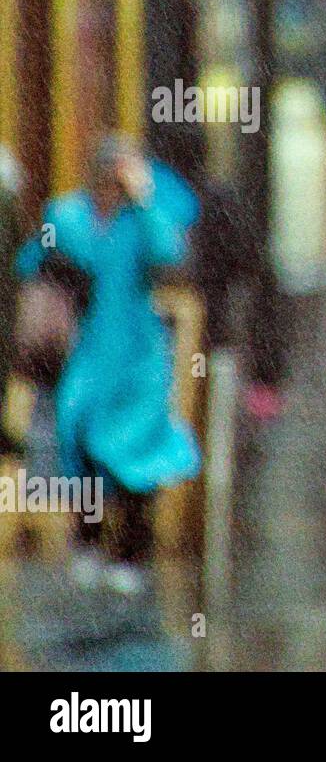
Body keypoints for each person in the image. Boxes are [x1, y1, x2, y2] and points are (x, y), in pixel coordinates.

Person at [14, 137, 201, 594]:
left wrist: (145, 199)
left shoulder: (141, 218)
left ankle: (132, 551)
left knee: (136, 454)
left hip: (138, 353)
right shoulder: (68, 215)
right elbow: (30, 261)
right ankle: (89, 540)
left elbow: (170, 255)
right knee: (80, 442)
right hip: (87, 349)